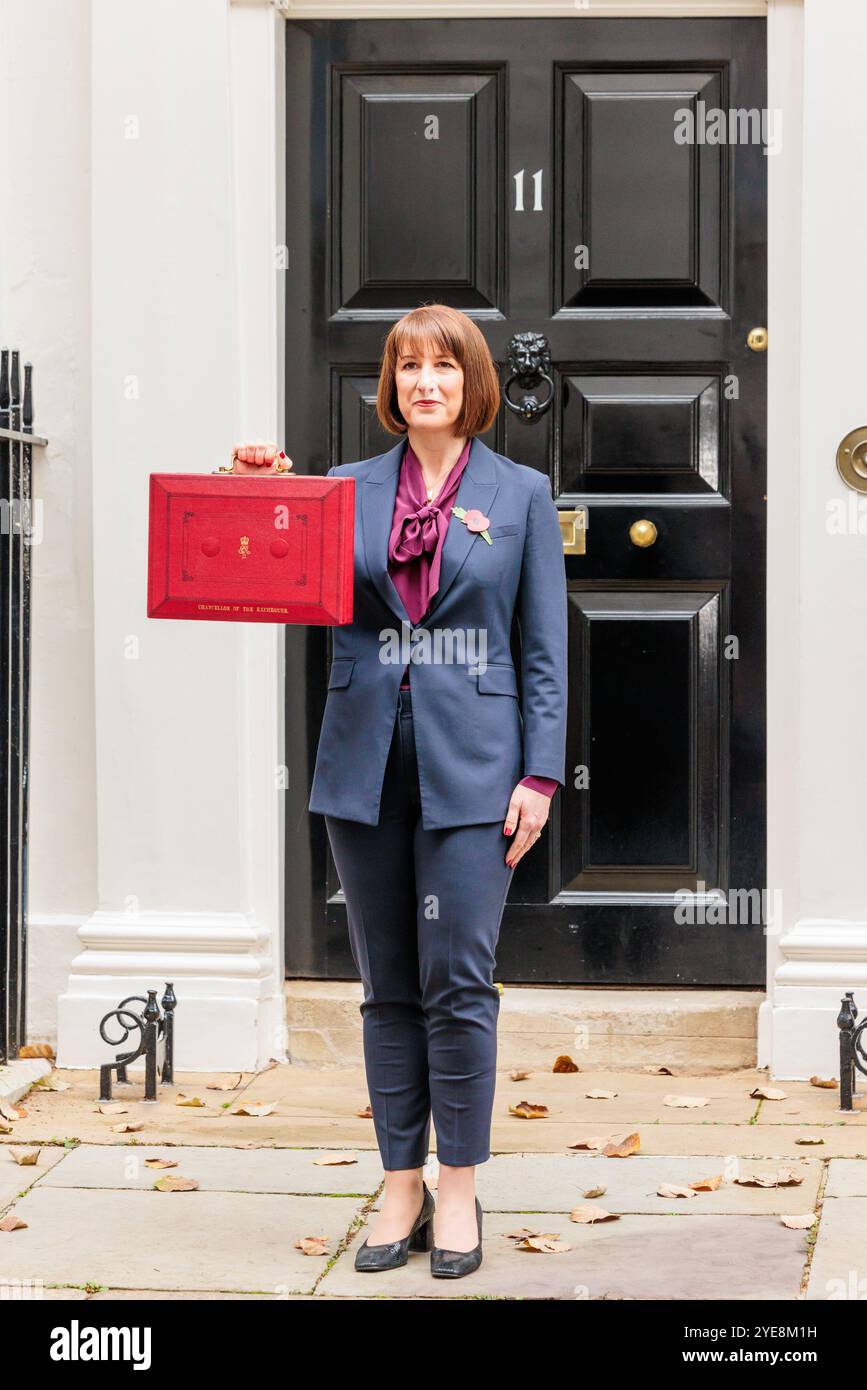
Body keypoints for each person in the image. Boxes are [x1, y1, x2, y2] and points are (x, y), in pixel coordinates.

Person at [232, 303, 567, 1279]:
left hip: (477, 776)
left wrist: (539, 773)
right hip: (363, 768)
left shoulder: (522, 495)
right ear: (391, 385)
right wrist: (257, 488)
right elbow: (267, 564)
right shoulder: (342, 489)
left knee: (456, 981)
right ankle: (400, 1182)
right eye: (409, 366)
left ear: (472, 383)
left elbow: (541, 654)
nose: (427, 381)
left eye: (445, 366)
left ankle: (457, 1185)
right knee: (385, 988)